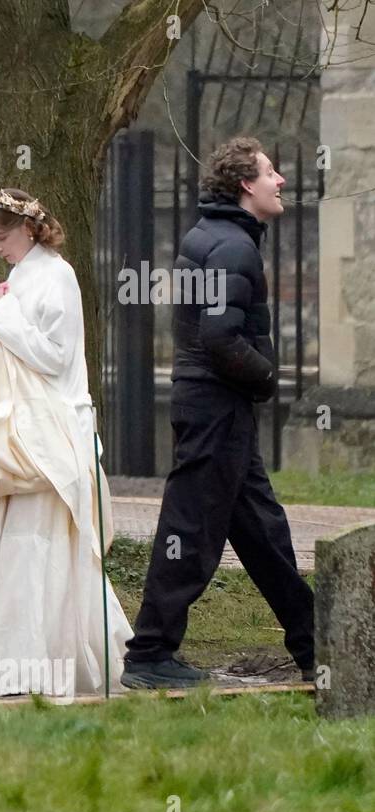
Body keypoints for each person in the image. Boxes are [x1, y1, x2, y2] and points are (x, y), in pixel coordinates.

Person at [122, 138, 314, 689]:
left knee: (264, 533)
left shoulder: (208, 236)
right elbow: (219, 336)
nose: (281, 181)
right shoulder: (233, 247)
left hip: (212, 409)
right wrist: (268, 376)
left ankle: (317, 642)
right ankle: (151, 655)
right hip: (217, 410)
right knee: (190, 531)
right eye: (271, 172)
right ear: (246, 185)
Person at [0, 184, 131, 698]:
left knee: (45, 546)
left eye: (2, 237)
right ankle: (16, 662)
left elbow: (54, 357)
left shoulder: (58, 276)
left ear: (29, 228)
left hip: (51, 433)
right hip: (23, 432)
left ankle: (46, 663)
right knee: (15, 546)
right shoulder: (24, 274)